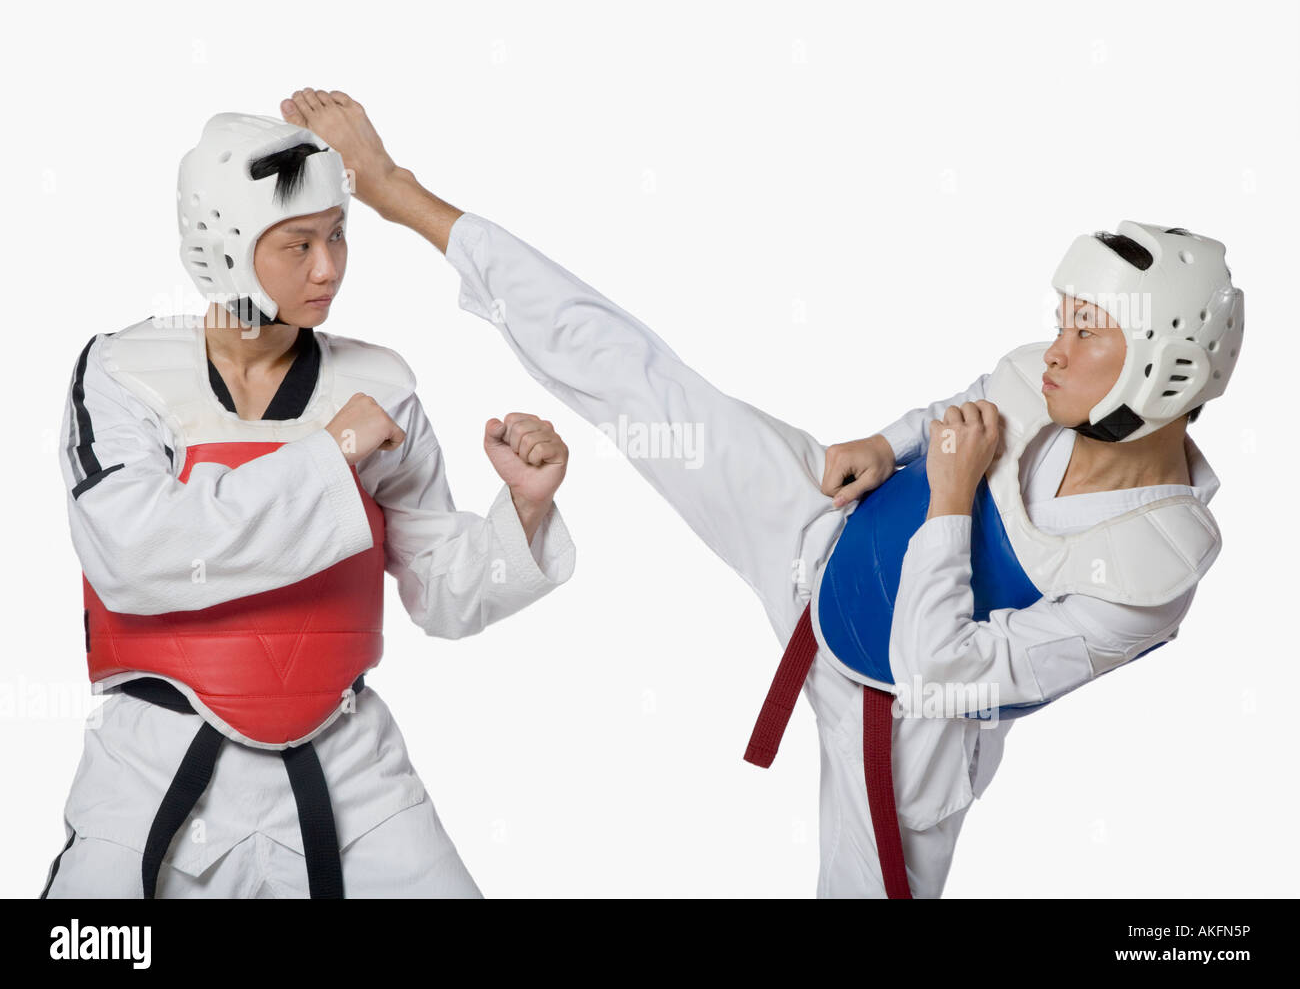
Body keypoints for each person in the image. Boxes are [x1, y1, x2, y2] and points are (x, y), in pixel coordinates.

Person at [277, 89, 1240, 897]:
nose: (1056, 348)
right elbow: (972, 403)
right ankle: (407, 198)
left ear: (1159, 367)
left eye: (1088, 332)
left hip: (901, 744)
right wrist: (891, 440)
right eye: (1063, 321)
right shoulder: (1044, 375)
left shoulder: (1149, 572)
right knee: (642, 382)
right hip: (820, 536)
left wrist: (948, 497)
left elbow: (945, 674)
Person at [42, 112, 577, 899]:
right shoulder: (123, 374)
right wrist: (333, 453)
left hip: (348, 761)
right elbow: (136, 554)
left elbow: (443, 595)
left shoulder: (381, 386)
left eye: (338, 235)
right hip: (153, 761)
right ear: (222, 243)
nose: (329, 268)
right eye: (299, 244)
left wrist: (522, 512)